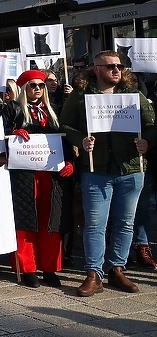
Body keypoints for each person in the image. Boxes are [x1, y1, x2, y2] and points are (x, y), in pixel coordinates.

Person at [61, 50, 156, 296]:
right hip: (96, 169)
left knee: (125, 223)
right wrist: (81, 140)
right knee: (95, 224)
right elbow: (66, 124)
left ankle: (117, 269)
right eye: (111, 66)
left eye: (120, 66)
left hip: (131, 168)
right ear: (97, 69)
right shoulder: (82, 96)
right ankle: (94, 273)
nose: (117, 70)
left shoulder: (133, 94)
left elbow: (151, 124)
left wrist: (147, 142)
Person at [5, 69, 76, 289]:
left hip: (52, 175)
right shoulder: (12, 109)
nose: (37, 89)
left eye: (41, 85)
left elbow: (66, 139)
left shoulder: (54, 111)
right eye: (33, 85)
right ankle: (28, 268)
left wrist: (71, 162)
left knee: (50, 221)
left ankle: (49, 268)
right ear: (24, 88)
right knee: (26, 220)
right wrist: (13, 134)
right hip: (24, 175)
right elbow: (0, 137)